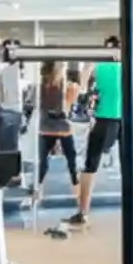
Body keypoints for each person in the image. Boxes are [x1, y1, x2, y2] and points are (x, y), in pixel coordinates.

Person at [59, 35, 122, 230]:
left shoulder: (99, 67)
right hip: (127, 119)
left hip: (104, 120)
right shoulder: (129, 67)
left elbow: (83, 86)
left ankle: (83, 213)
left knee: (90, 166)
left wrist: (91, 65)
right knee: (131, 166)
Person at [32, 60, 79, 209]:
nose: (64, 69)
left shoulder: (49, 87)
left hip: (54, 128)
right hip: (54, 128)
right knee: (67, 162)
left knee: (68, 162)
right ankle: (37, 194)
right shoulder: (45, 87)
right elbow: (65, 109)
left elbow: (65, 109)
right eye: (62, 66)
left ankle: (78, 196)